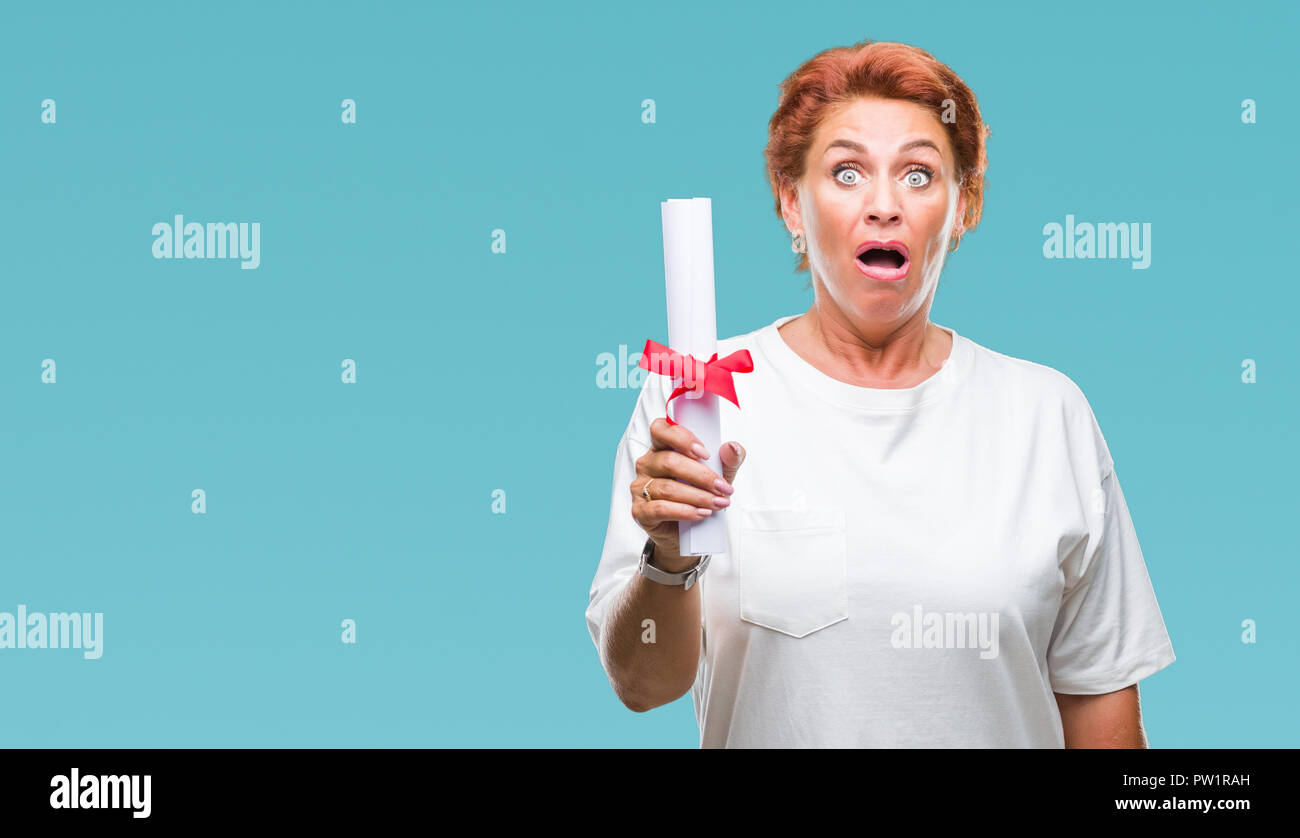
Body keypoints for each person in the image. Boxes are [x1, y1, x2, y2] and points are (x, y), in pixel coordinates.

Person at [585, 39, 1175, 748]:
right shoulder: (695, 397)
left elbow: (1103, 721)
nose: (885, 205)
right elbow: (644, 686)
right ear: (790, 204)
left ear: (965, 207)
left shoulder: (1048, 416)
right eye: (846, 172)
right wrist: (668, 559)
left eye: (920, 174)